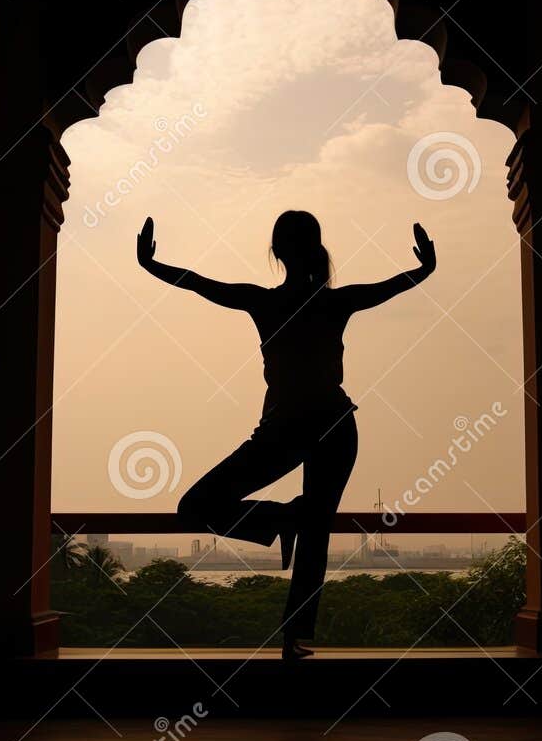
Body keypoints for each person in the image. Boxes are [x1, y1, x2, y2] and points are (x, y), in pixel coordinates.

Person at [137, 210, 437, 660]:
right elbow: (393, 286)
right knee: (313, 529)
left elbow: (197, 281)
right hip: (333, 425)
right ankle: (293, 620)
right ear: (316, 249)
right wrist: (425, 268)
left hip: (288, 427)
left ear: (276, 252)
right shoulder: (335, 302)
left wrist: (150, 265)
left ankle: (286, 532)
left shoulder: (265, 302)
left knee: (197, 508)